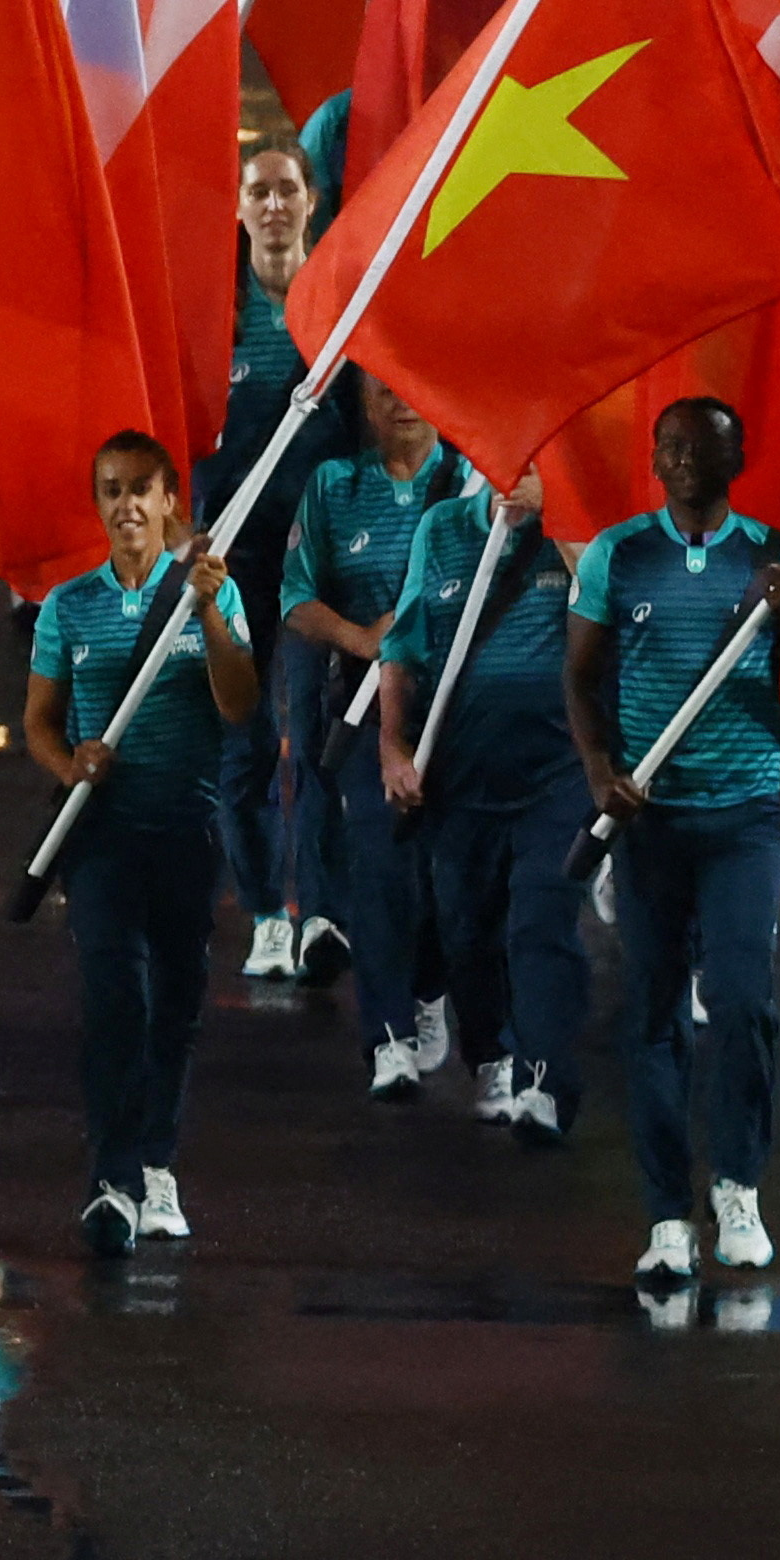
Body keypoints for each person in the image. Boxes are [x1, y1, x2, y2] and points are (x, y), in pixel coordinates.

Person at [567, 395, 780, 1292]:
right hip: (652, 823)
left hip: (744, 819)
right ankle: (664, 1216)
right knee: (650, 1016)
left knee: (741, 1000)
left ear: (738, 456)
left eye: (703, 447)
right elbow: (579, 677)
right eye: (672, 447)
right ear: (654, 459)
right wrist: (602, 771)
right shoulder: (618, 555)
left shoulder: (777, 555)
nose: (684, 460)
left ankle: (737, 1187)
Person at [23, 430, 262, 1255]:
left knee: (175, 1006)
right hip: (103, 837)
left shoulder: (208, 592)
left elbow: (238, 705)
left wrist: (209, 614)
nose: (125, 504)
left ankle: (157, 1162)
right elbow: (41, 724)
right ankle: (112, 1175)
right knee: (115, 999)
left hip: (187, 832)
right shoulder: (68, 606)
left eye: (140, 489)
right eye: (111, 488)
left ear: (169, 502)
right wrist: (72, 762)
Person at [280, 376, 473, 1098]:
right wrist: (361, 638)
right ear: (365, 405)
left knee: (447, 882)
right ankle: (386, 1034)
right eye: (385, 392)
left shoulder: (470, 483)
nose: (402, 403)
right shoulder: (333, 487)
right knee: (382, 871)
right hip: (363, 714)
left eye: (414, 389)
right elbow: (296, 598)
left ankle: (430, 987)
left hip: (454, 711)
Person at [376, 465, 579, 1145]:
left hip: (556, 770)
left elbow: (607, 606)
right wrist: (392, 747)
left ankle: (545, 1076)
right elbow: (402, 647)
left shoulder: (576, 535)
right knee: (466, 928)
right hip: (461, 770)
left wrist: (563, 520)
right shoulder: (441, 530)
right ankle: (491, 1055)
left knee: (541, 921)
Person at [209, 142, 330, 979]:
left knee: (322, 741)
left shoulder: (340, 307)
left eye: (288, 188)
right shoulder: (215, 311)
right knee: (244, 746)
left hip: (328, 556)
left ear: (312, 200)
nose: (276, 204)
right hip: (238, 553)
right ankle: (266, 916)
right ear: (241, 206)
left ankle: (323, 906)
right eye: (260, 191)